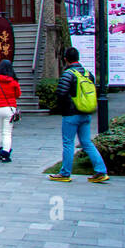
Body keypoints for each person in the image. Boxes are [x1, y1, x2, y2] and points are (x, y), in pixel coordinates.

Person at [48, 47, 110, 183]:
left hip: (71, 114)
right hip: (86, 113)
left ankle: (65, 173)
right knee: (86, 142)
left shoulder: (68, 74)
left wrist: (62, 107)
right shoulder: (88, 74)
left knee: (68, 143)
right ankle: (101, 170)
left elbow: (61, 93)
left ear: (66, 59)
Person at [0, 60, 21, 161]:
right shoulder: (13, 81)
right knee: (7, 132)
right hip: (9, 108)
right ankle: (6, 153)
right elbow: (18, 94)